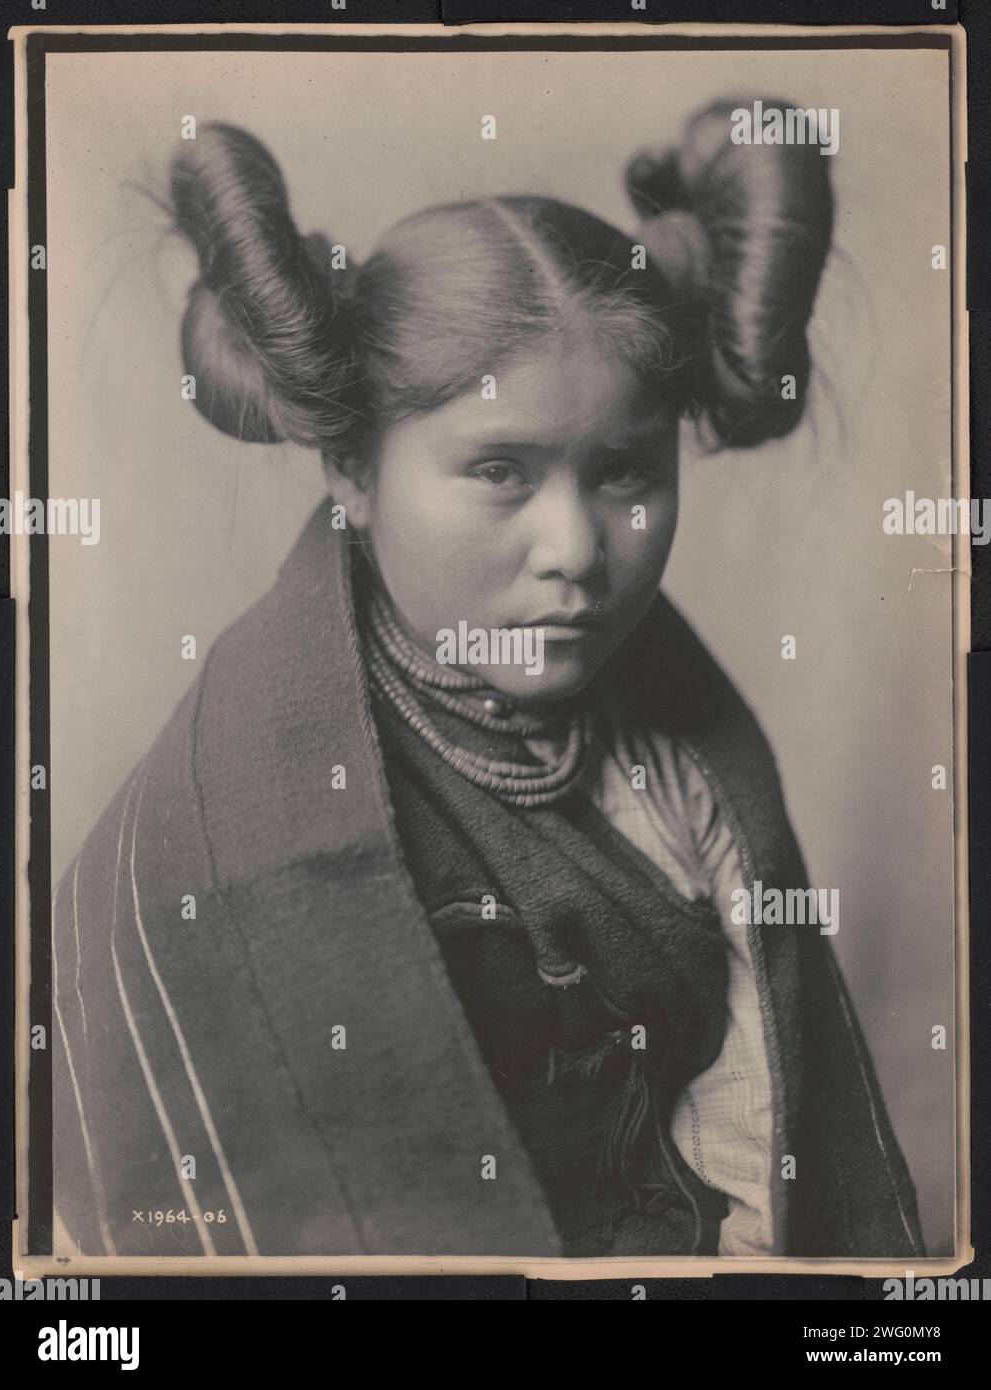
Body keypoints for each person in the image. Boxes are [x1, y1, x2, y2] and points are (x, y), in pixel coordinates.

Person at [51, 103, 925, 1259]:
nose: (574, 546)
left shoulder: (680, 759)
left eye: (621, 471)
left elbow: (756, 1127)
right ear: (353, 469)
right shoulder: (232, 853)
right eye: (500, 470)